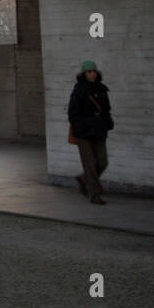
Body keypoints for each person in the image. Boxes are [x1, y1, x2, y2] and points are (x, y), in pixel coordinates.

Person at [68, 59, 113, 204]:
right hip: (83, 132)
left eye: (94, 71)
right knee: (90, 164)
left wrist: (106, 122)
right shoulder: (79, 90)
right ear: (84, 74)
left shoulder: (101, 89)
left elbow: (106, 109)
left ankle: (83, 179)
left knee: (102, 161)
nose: (92, 74)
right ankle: (95, 194)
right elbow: (72, 112)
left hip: (99, 131)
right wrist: (80, 126)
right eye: (89, 72)